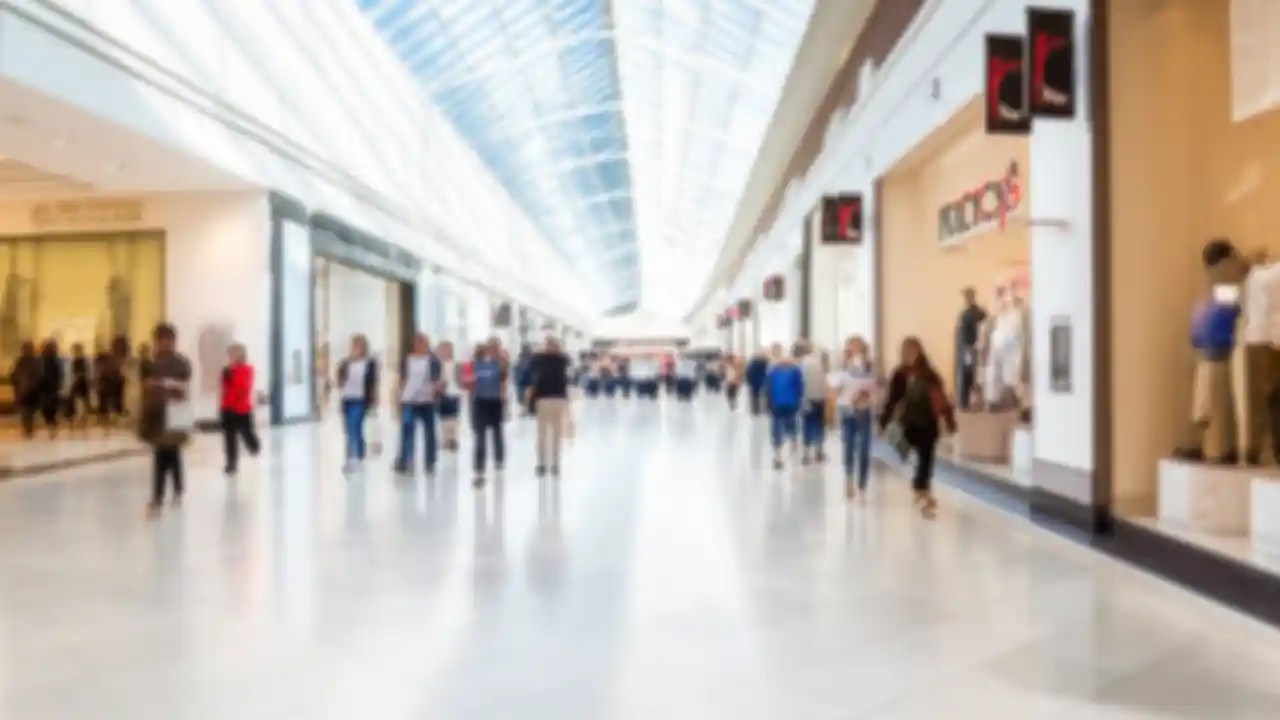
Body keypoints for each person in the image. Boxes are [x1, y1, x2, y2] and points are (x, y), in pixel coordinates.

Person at [880, 337, 957, 519]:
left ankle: (922, 492)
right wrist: (884, 422)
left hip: (928, 422)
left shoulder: (929, 374)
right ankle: (921, 490)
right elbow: (892, 401)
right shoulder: (900, 374)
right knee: (915, 455)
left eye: (912, 351)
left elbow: (941, 400)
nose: (909, 355)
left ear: (919, 351)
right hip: (909, 422)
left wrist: (950, 421)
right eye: (906, 351)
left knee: (926, 459)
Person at [139, 323, 192, 518]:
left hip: (174, 413)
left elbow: (184, 386)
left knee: (171, 454)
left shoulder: (181, 363)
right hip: (156, 415)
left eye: (167, 340)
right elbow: (145, 386)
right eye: (160, 340)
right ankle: (160, 495)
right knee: (161, 455)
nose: (164, 344)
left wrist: (164, 384)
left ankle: (173, 490)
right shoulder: (149, 363)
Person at [830, 336, 879, 501]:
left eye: (855, 347)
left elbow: (877, 385)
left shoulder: (870, 365)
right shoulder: (842, 365)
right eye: (849, 348)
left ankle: (862, 486)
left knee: (865, 449)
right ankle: (849, 479)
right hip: (846, 410)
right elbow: (834, 385)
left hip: (864, 410)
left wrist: (867, 393)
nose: (852, 351)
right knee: (849, 447)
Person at [394, 332, 443, 476]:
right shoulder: (408, 359)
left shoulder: (433, 360)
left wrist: (436, 389)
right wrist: (398, 397)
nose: (419, 345)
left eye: (422, 342)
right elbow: (403, 379)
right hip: (409, 399)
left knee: (429, 432)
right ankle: (405, 459)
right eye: (417, 342)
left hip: (426, 400)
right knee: (407, 429)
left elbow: (437, 379)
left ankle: (430, 461)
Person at [526, 335, 571, 477]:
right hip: (555, 398)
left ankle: (543, 464)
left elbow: (528, 373)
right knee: (553, 433)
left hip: (545, 398)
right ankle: (553, 464)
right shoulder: (563, 359)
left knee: (544, 433)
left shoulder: (539, 358)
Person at [336, 334, 378, 473]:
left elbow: (372, 382)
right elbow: (339, 380)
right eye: (354, 345)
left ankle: (353, 457)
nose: (355, 348)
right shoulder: (346, 363)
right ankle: (356, 455)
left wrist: (374, 400)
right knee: (350, 429)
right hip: (347, 398)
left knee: (355, 425)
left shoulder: (370, 363)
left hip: (361, 399)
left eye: (358, 345)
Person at [470, 338, 508, 488]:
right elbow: (469, 381)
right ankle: (479, 468)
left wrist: (504, 399)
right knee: (480, 436)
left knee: (497, 433)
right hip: (480, 402)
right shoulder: (476, 363)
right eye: (489, 348)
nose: (491, 351)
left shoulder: (501, 364)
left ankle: (499, 459)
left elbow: (503, 383)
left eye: (495, 348)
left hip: (495, 402)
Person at [219, 343, 260, 476]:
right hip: (228, 409)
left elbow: (241, 387)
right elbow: (225, 388)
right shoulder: (227, 370)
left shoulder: (247, 369)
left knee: (247, 432)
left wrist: (231, 371)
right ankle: (231, 464)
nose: (230, 357)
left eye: (233, 354)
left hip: (242, 408)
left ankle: (254, 446)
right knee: (230, 439)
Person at [766, 344, 805, 470]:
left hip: (776, 403)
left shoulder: (773, 370)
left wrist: (769, 403)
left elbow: (768, 389)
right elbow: (800, 387)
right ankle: (794, 447)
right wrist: (799, 400)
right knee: (792, 424)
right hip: (792, 402)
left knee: (777, 427)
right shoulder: (796, 370)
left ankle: (778, 455)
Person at [799, 342, 830, 464]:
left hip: (807, 398)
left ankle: (806, 453)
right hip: (820, 398)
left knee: (807, 425)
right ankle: (819, 451)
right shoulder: (821, 363)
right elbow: (825, 380)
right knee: (820, 425)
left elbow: (801, 382)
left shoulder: (803, 363)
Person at [10, 341, 41, 439]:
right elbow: (14, 375)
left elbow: (38, 377)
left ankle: (29, 430)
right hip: (22, 391)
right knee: (25, 412)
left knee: (28, 412)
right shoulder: (20, 361)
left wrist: (31, 385)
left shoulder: (34, 362)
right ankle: (28, 430)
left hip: (31, 392)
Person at [437, 341, 461, 452]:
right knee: (444, 418)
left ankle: (453, 439)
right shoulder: (438, 364)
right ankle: (445, 439)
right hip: (443, 394)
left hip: (454, 393)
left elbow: (459, 379)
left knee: (453, 418)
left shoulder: (455, 364)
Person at [37, 340, 63, 438]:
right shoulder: (55, 360)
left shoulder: (43, 360)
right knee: (51, 410)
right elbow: (59, 375)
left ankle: (51, 428)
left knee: (48, 410)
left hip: (46, 389)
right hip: (51, 389)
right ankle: (52, 428)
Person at [66, 343, 92, 429]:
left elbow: (80, 374)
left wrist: (74, 383)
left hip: (81, 383)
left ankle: (79, 420)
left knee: (82, 401)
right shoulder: (78, 361)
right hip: (81, 383)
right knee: (83, 401)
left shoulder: (79, 361)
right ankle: (78, 420)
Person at [745, 351, 769, 416]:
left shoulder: (753, 363)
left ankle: (756, 410)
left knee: (755, 396)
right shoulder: (764, 363)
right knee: (763, 396)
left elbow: (749, 373)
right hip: (760, 381)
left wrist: (749, 381)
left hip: (755, 382)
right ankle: (762, 410)